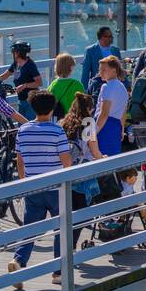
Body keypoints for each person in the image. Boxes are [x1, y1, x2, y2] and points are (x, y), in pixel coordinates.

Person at [8, 91, 72, 288]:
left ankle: (19, 261)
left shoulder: (23, 130)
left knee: (31, 228)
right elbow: (66, 161)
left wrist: (23, 181)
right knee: (61, 228)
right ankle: (58, 272)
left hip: (33, 186)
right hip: (55, 187)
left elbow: (20, 159)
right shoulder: (57, 131)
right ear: (52, 109)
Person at [60, 94, 103, 227]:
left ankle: (68, 245)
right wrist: (104, 159)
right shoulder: (88, 123)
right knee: (81, 215)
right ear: (90, 109)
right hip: (81, 172)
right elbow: (94, 151)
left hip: (65, 170)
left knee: (68, 213)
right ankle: (71, 246)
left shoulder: (64, 122)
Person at [94, 55, 129, 157]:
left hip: (104, 127)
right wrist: (122, 130)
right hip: (116, 127)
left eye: (104, 70)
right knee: (113, 162)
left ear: (114, 70)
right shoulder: (123, 88)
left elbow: (104, 113)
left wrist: (94, 132)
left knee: (100, 160)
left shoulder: (107, 86)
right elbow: (123, 112)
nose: (100, 73)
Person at [5, 41, 42, 120]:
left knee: (29, 125)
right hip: (21, 100)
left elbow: (39, 82)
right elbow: (6, 74)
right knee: (21, 125)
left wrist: (25, 85)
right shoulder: (16, 63)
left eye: (14, 52)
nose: (12, 54)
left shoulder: (30, 65)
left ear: (19, 53)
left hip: (30, 101)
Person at [47, 52, 86, 117]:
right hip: (72, 119)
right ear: (71, 68)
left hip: (58, 120)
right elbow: (83, 104)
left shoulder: (52, 85)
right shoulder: (77, 84)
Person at [81, 26, 114, 94]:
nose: (112, 38)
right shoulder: (90, 51)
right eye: (109, 36)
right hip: (98, 88)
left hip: (114, 87)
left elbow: (120, 70)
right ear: (102, 37)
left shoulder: (115, 50)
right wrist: (84, 92)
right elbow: (85, 73)